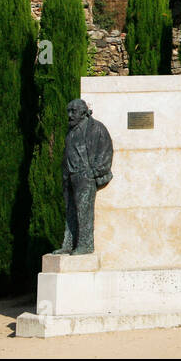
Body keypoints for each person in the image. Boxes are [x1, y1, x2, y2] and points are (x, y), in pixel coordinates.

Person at [51, 99, 113, 256]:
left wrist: (94, 172)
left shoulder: (96, 129)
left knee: (83, 211)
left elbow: (106, 152)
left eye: (73, 111)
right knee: (70, 211)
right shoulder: (71, 130)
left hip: (85, 175)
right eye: (68, 111)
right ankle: (68, 244)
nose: (70, 115)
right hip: (70, 176)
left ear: (84, 112)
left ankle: (85, 245)